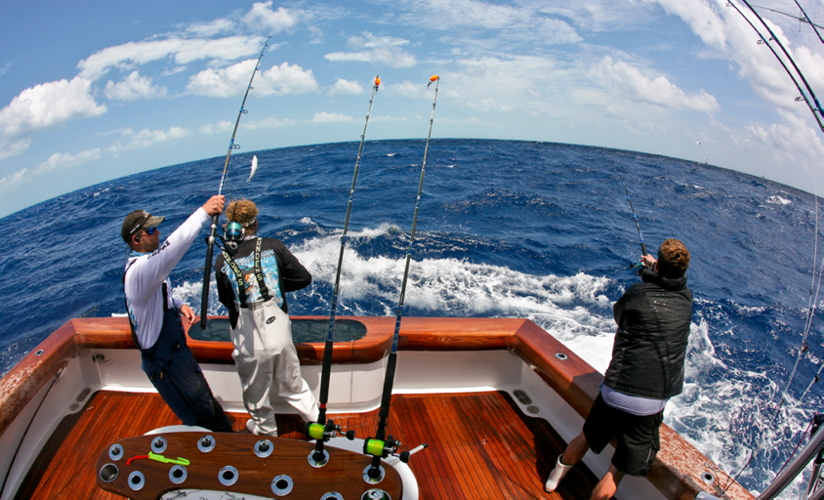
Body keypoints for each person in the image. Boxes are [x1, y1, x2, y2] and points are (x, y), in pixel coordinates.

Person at [545, 238, 693, 499]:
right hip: (649, 405)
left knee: (586, 437)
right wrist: (656, 272)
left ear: (658, 266)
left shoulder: (637, 293)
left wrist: (648, 275)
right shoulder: (686, 300)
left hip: (616, 392)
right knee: (615, 472)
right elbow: (672, 285)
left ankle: (555, 478)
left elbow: (620, 316)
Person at [122, 195, 233, 433]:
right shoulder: (139, 272)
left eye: (157, 228)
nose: (158, 233)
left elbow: (158, 293)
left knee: (202, 396)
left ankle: (225, 434)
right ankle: (223, 447)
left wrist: (178, 303)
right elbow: (172, 249)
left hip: (177, 352)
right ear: (136, 240)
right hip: (165, 363)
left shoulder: (147, 269)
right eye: (151, 230)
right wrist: (203, 213)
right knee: (198, 414)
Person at [214, 199, 318, 436]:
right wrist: (277, 287)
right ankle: (316, 426)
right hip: (279, 332)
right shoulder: (274, 246)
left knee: (255, 392)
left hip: (247, 339)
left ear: (232, 228)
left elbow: (226, 300)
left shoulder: (221, 260)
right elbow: (304, 278)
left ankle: (265, 431)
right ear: (256, 223)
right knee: (294, 384)